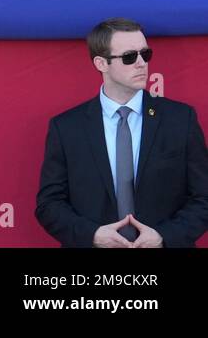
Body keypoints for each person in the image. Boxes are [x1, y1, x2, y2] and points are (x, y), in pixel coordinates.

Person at [36, 18, 208, 248]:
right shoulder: (67, 127)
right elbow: (49, 204)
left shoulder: (180, 119)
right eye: (129, 57)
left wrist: (164, 237)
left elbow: (203, 197)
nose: (141, 64)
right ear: (101, 63)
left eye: (145, 54)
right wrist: (93, 235)